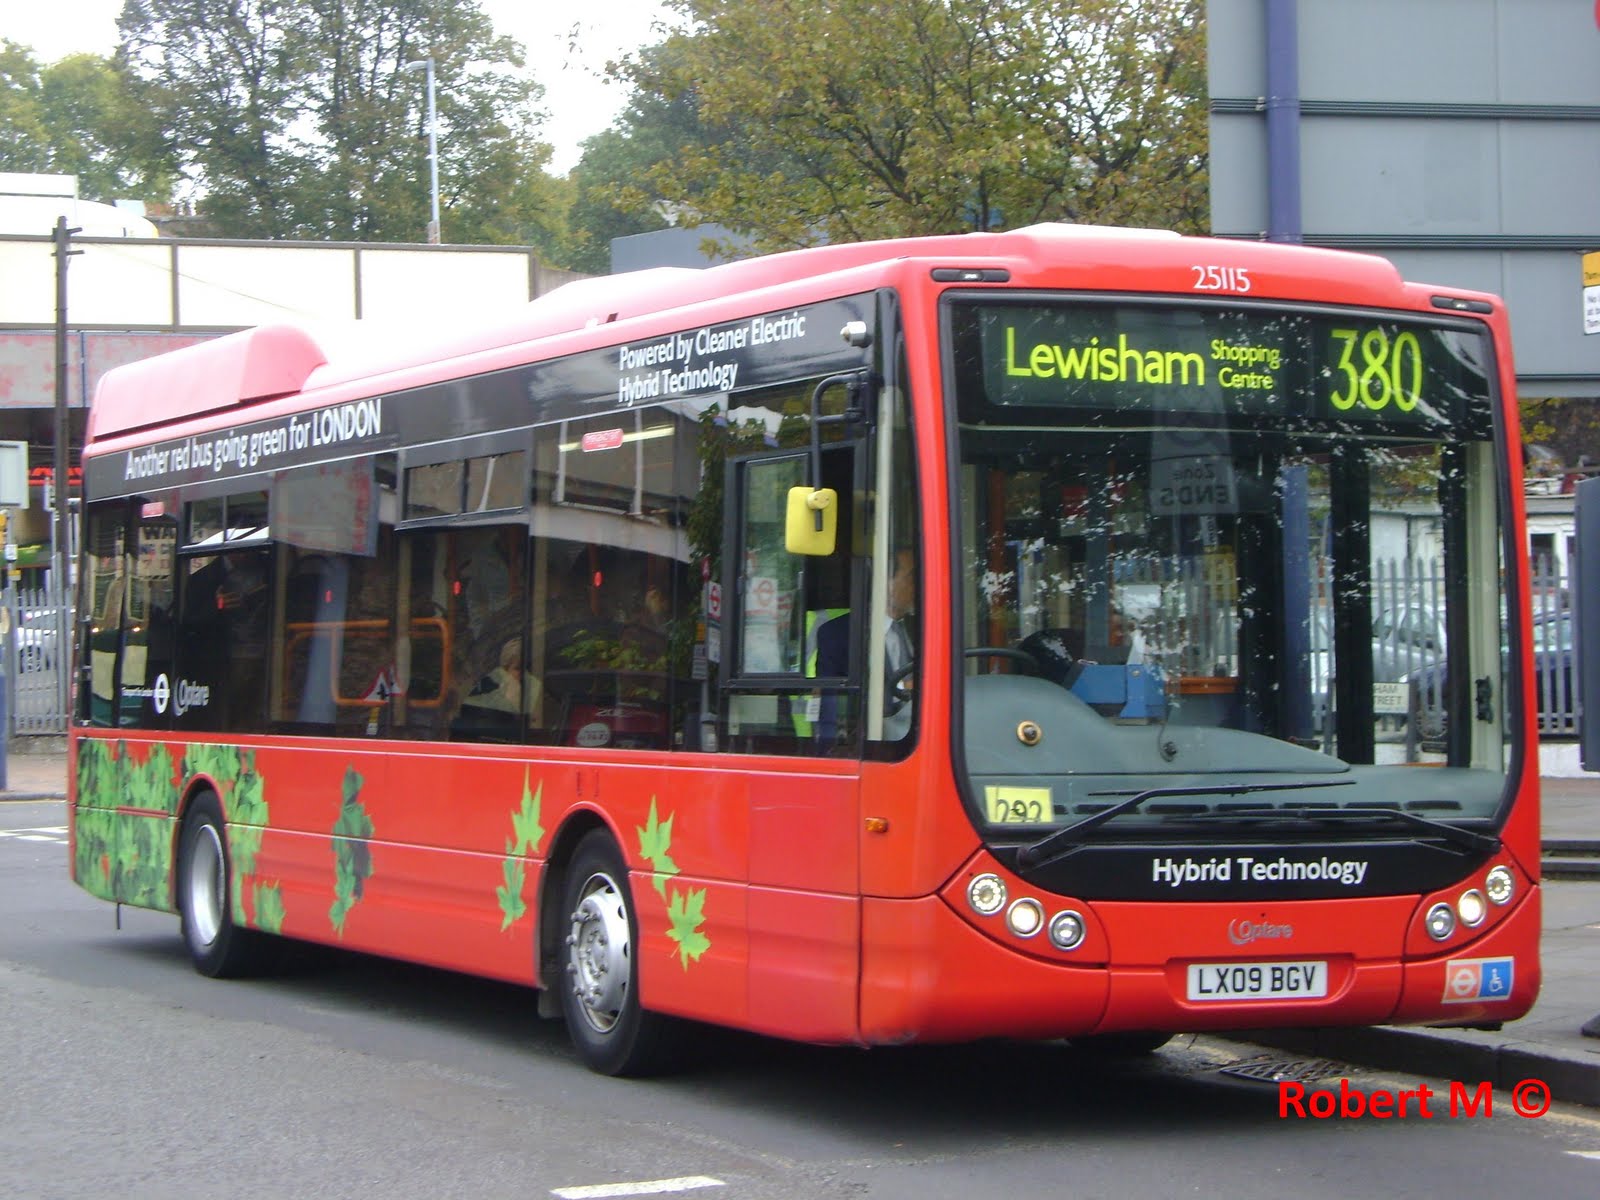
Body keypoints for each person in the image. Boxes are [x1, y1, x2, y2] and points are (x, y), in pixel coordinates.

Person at [812, 548, 916, 743]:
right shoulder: (838, 634)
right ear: (888, 583)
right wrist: (906, 687)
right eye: (911, 577)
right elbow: (831, 707)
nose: (918, 586)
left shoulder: (922, 628)